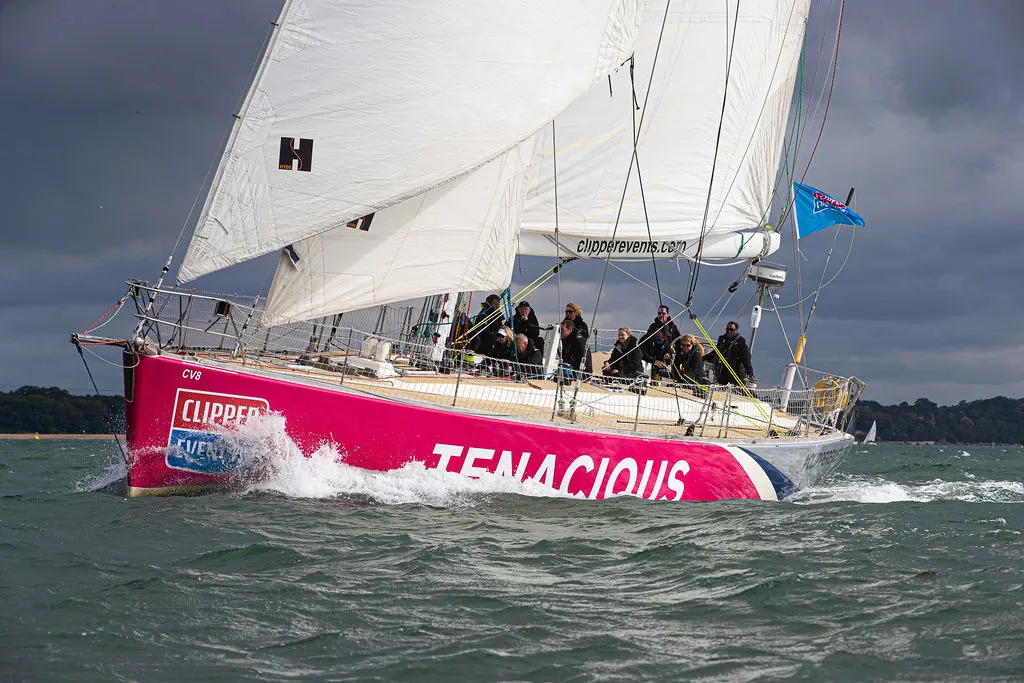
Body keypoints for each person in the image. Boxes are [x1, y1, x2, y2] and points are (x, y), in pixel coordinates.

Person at [704, 321, 755, 385]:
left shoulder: (741, 343)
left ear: (736, 330)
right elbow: (716, 352)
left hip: (736, 372)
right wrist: (703, 358)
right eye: (727, 329)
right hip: (723, 371)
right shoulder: (722, 340)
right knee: (721, 387)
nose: (729, 331)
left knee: (739, 390)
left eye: (731, 329)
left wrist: (750, 373)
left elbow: (746, 359)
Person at [562, 302, 592, 373]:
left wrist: (573, 330)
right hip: (567, 352)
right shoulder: (564, 324)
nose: (567, 313)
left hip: (578, 353)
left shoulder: (582, 325)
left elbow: (585, 338)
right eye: (566, 312)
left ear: (576, 312)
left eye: (570, 311)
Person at [557, 318, 587, 382]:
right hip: (568, 370)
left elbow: (583, 359)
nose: (560, 331)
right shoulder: (564, 340)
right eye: (559, 329)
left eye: (562, 329)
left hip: (581, 373)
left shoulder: (579, 341)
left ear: (570, 330)